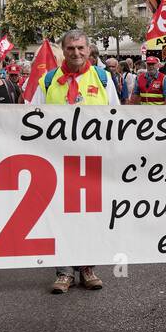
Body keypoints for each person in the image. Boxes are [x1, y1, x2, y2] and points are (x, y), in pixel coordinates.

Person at [41, 28, 118, 293]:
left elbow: (116, 119)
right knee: (60, 216)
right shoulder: (48, 81)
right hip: (57, 163)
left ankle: (87, 268)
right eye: (70, 48)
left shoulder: (104, 78)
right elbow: (30, 121)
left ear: (89, 50)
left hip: (93, 161)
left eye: (80, 48)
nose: (76, 53)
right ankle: (64, 272)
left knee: (89, 216)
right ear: (63, 50)